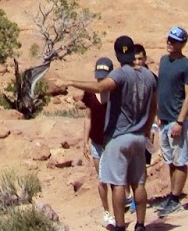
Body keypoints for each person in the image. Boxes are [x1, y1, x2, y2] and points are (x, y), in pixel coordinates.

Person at [69, 37, 158, 231]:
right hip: (138, 137)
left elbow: (101, 87)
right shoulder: (150, 77)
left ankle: (119, 225)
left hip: (118, 138)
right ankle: (141, 225)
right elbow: (153, 108)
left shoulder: (120, 74)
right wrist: (147, 128)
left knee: (118, 184)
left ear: (117, 55)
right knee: (139, 183)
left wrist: (70, 82)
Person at [152, 26, 188, 218]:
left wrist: (180, 121)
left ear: (182, 43)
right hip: (164, 120)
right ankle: (172, 195)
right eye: (169, 39)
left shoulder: (187, 66)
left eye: (174, 40)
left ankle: (176, 200)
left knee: (180, 161)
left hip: (176, 121)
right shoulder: (163, 61)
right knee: (170, 160)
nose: (170, 43)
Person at [83, 57, 115, 227]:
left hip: (113, 140)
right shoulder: (89, 92)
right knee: (102, 178)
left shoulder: (116, 91)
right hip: (96, 141)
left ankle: (120, 207)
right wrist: (84, 141)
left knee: (117, 178)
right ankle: (107, 212)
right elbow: (88, 117)